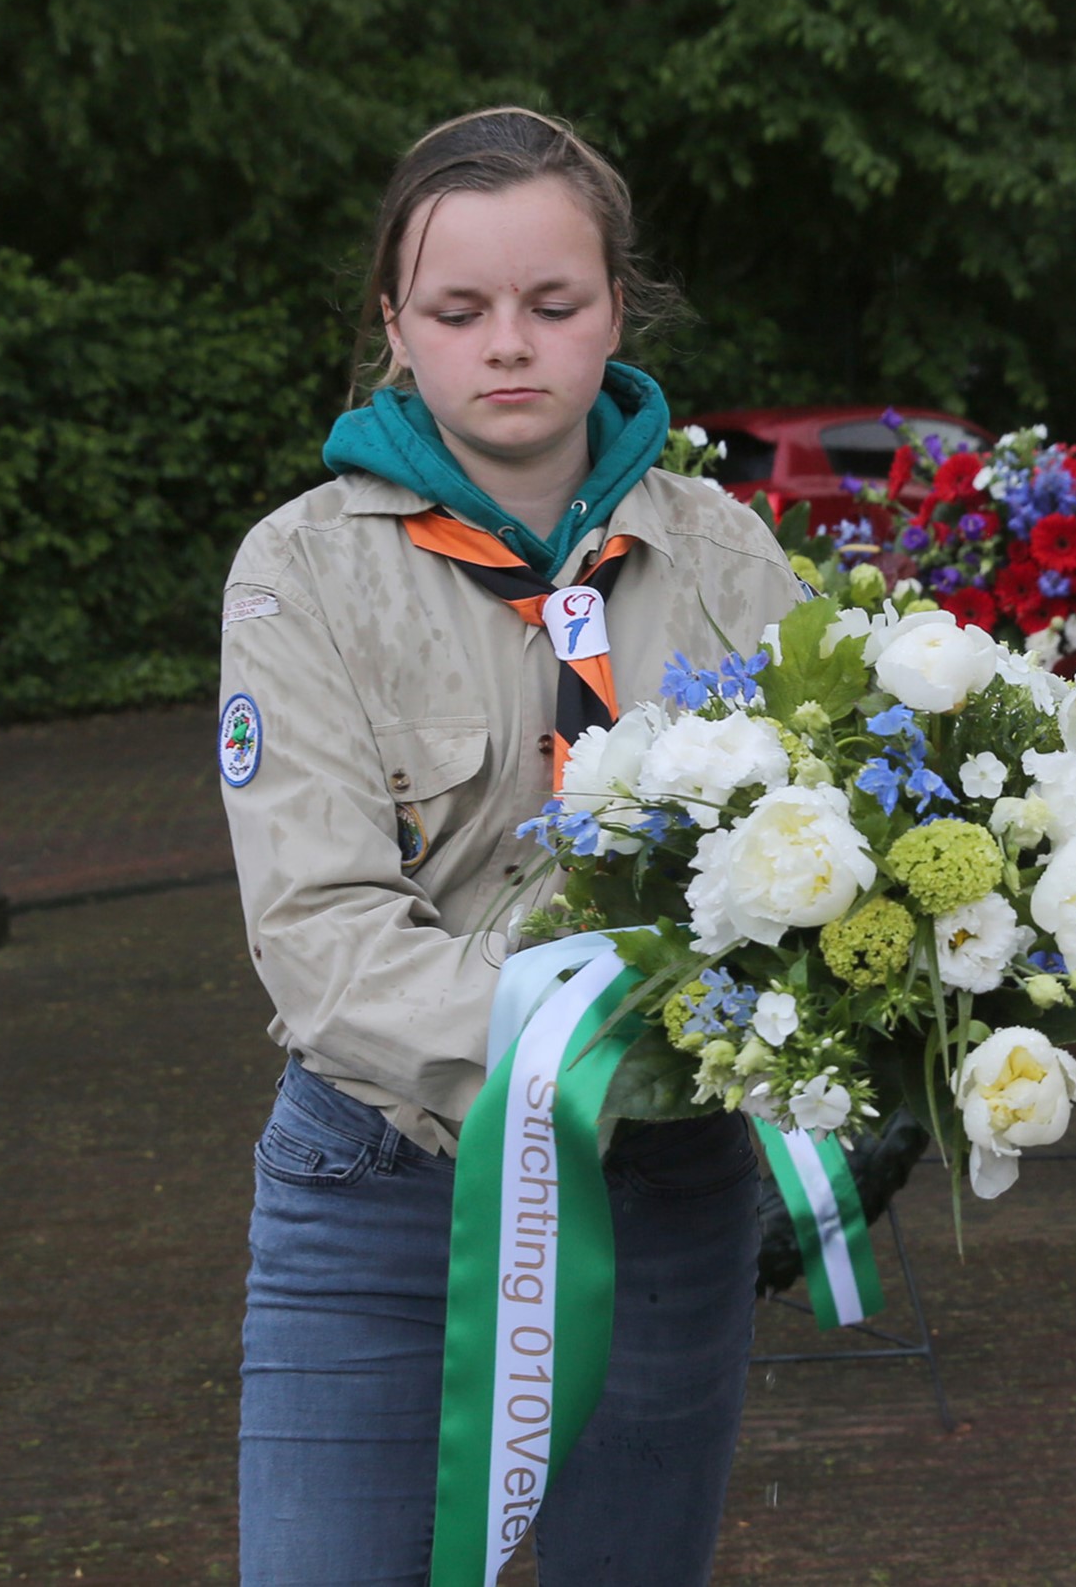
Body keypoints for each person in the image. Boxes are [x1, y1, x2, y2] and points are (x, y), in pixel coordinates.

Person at [217, 107, 803, 1586]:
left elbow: (822, 848)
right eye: (458, 309)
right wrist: (586, 1044)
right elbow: (322, 930)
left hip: (667, 1182)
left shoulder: (732, 556)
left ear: (618, 308)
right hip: (385, 1189)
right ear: (394, 330)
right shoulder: (301, 572)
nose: (510, 343)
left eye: (554, 303)